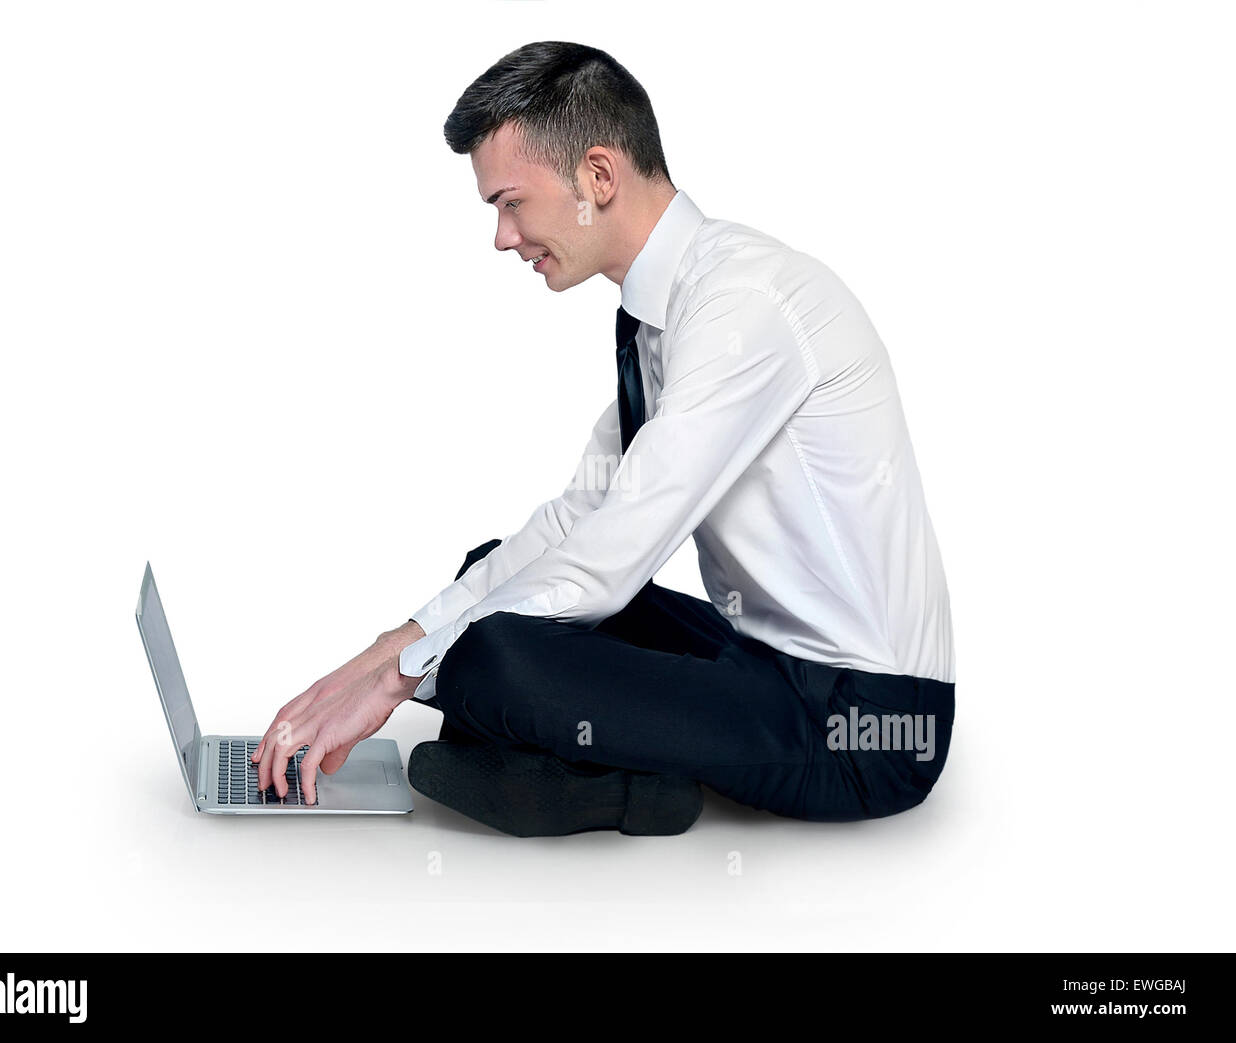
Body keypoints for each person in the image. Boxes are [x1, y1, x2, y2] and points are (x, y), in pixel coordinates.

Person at [251, 41, 956, 837]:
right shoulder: (664, 313)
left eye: (510, 202)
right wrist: (386, 648)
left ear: (597, 177)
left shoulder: (743, 307)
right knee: (487, 572)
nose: (502, 236)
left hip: (868, 725)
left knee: (493, 654)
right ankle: (606, 766)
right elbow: (576, 517)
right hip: (762, 660)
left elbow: (609, 559)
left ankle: (613, 780)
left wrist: (402, 677)